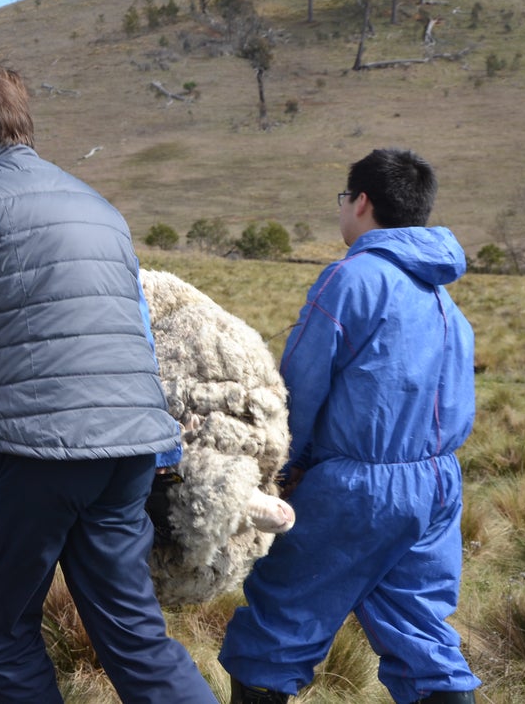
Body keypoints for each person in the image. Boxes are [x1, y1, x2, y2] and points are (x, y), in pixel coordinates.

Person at [0, 67, 218, 704]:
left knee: (2, 626)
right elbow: (139, 331)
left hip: (33, 449)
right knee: (132, 632)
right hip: (130, 447)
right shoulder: (99, 205)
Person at [218, 148, 480, 704]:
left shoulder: (352, 278)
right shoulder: (445, 302)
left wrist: (279, 470)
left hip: (358, 488)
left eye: (345, 200)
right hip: (437, 487)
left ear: (361, 202)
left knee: (277, 628)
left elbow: (302, 383)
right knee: (422, 635)